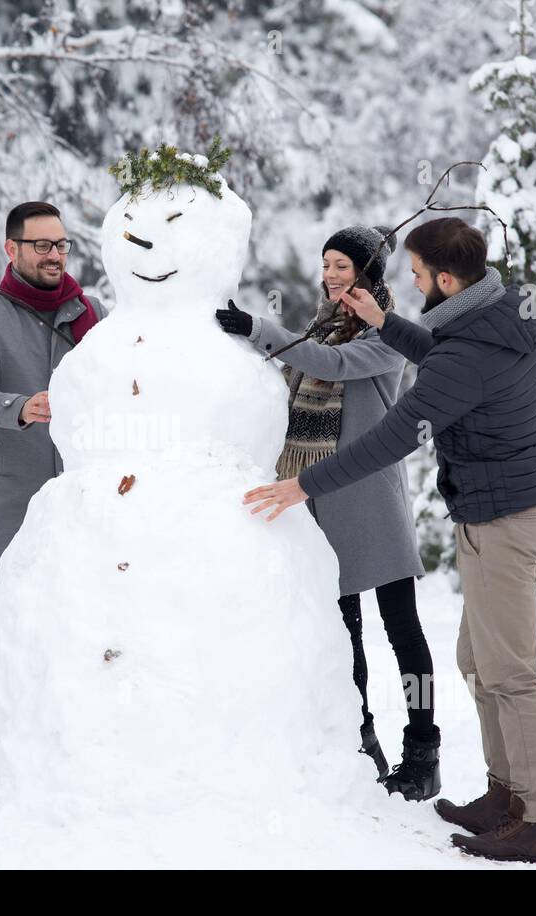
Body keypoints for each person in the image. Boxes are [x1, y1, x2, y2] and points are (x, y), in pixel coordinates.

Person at [243, 217, 536, 863]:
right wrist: (384, 319)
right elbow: (439, 354)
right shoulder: (495, 315)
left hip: (505, 519)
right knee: (480, 662)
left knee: (508, 673)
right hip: (501, 511)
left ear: (447, 279)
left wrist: (305, 486)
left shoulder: (466, 353)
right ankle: (505, 795)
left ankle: (535, 818)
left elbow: (397, 434)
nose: (411, 285)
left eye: (417, 276)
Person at [215, 225, 439, 801]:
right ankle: (361, 740)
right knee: (345, 633)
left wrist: (259, 329)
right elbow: (296, 370)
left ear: (369, 274)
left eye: (344, 266)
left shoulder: (390, 334)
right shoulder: (322, 322)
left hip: (368, 498)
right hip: (312, 496)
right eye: (328, 265)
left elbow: (330, 365)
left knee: (402, 630)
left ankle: (422, 750)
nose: (333, 275)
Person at [0, 201, 104, 807]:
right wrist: (22, 407)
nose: (54, 255)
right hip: (10, 499)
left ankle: (68, 756)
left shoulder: (88, 314)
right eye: (41, 245)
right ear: (11, 250)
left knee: (80, 623)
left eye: (62, 244)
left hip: (80, 498)